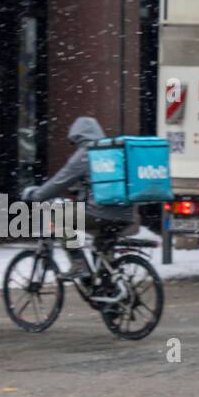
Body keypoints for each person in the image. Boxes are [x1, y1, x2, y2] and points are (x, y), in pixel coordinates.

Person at [21, 116, 135, 286]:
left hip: (101, 212)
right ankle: (110, 298)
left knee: (60, 217)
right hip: (125, 214)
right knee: (102, 250)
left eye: (74, 141)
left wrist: (36, 195)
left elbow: (60, 180)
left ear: (78, 137)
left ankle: (78, 264)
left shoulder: (87, 153)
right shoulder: (112, 152)